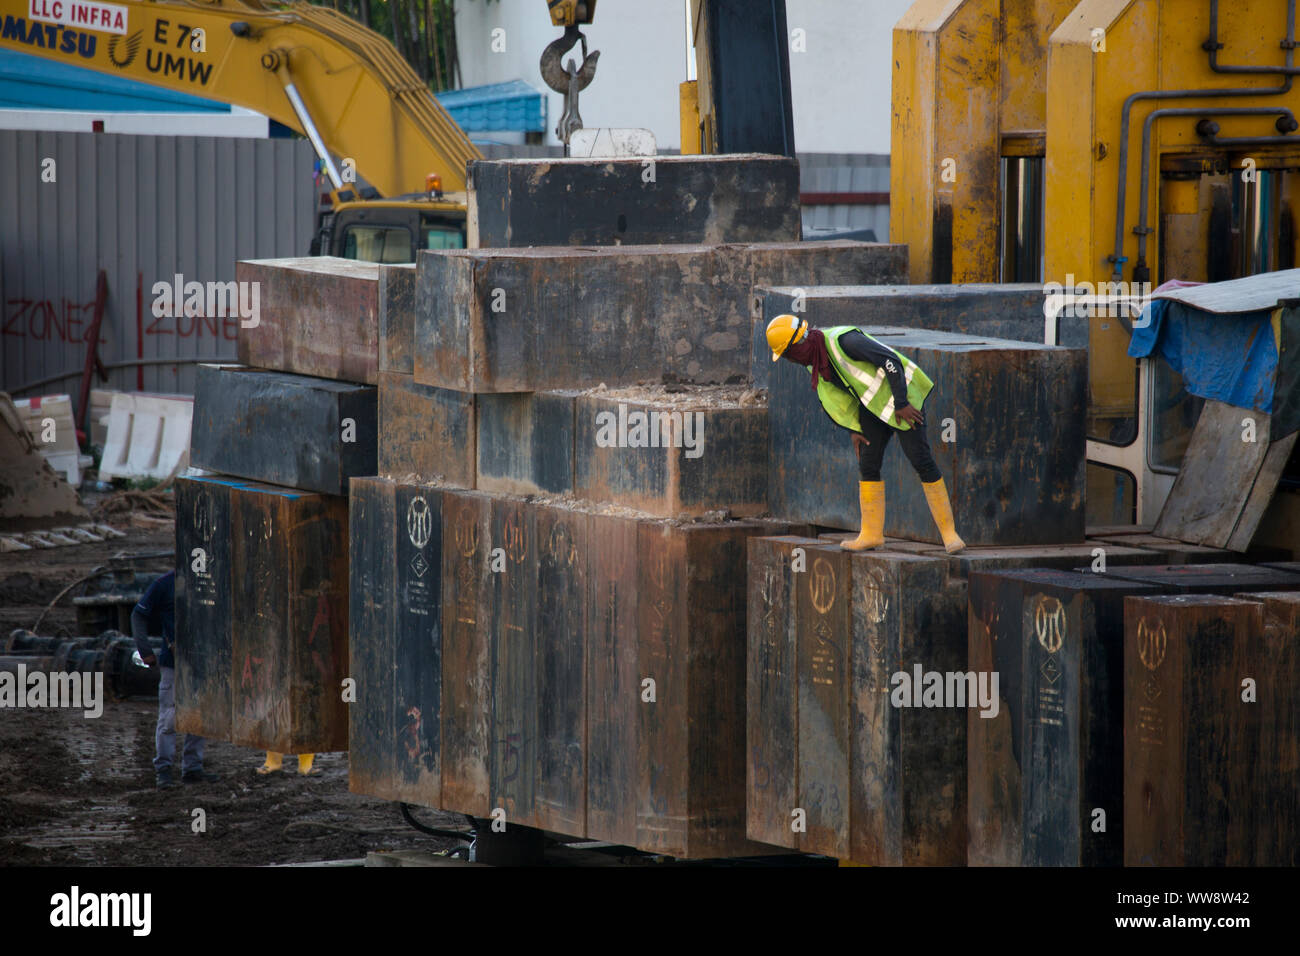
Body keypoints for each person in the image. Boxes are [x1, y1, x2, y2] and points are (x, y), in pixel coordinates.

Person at [765, 313, 965, 554]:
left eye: (788, 353)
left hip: (903, 401)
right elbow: (842, 395)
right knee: (869, 465)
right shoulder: (816, 362)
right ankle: (871, 535)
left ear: (799, 344)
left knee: (921, 460)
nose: (790, 360)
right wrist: (854, 429)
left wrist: (901, 402)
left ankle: (950, 535)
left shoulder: (845, 342)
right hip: (873, 410)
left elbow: (891, 361)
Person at [132, 570, 218, 788]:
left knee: (200, 715)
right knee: (170, 718)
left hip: (203, 663)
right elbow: (139, 614)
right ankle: (164, 770)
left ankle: (192, 768)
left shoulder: (210, 581)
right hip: (174, 663)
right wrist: (144, 650)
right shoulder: (165, 584)